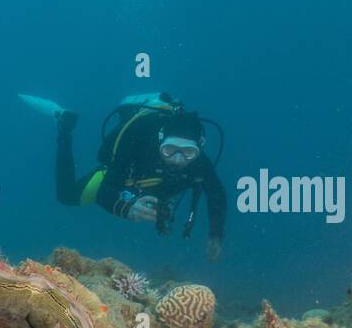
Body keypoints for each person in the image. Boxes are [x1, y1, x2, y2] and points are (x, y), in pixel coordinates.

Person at [50, 93, 227, 261]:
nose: (178, 159)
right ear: (160, 141)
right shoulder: (137, 142)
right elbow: (104, 191)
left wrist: (216, 234)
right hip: (126, 177)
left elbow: (216, 194)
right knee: (67, 195)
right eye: (169, 150)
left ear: (199, 149)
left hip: (152, 186)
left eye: (188, 152)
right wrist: (126, 208)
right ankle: (64, 129)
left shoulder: (200, 163)